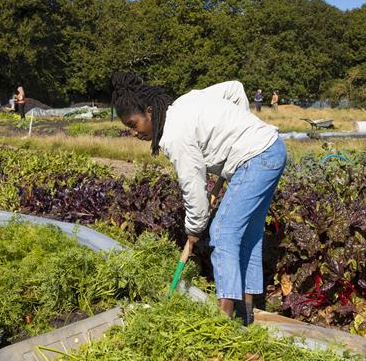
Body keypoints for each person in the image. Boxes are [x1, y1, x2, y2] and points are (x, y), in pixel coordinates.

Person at [112, 73, 284, 326]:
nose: (134, 133)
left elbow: (193, 189)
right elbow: (234, 90)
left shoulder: (174, 136)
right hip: (273, 149)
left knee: (223, 231)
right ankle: (247, 313)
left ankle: (222, 322)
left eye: (133, 124)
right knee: (248, 233)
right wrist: (243, 129)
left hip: (256, 158)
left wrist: (194, 228)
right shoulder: (185, 101)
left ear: (150, 112)